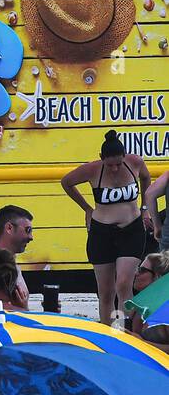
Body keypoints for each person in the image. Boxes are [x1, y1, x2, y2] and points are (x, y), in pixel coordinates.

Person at [61, 130, 153, 326]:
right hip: (102, 232)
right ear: (101, 158)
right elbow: (66, 182)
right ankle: (108, 332)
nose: (114, 169)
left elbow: (146, 178)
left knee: (124, 283)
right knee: (106, 291)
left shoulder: (135, 162)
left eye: (119, 164)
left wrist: (145, 208)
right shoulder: (93, 170)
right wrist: (86, 208)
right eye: (110, 165)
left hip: (131, 229)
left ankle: (126, 330)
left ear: (125, 156)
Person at [125, 252, 169, 351]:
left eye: (142, 270)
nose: (136, 273)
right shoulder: (138, 305)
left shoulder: (165, 311)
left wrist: (143, 344)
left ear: (158, 277)